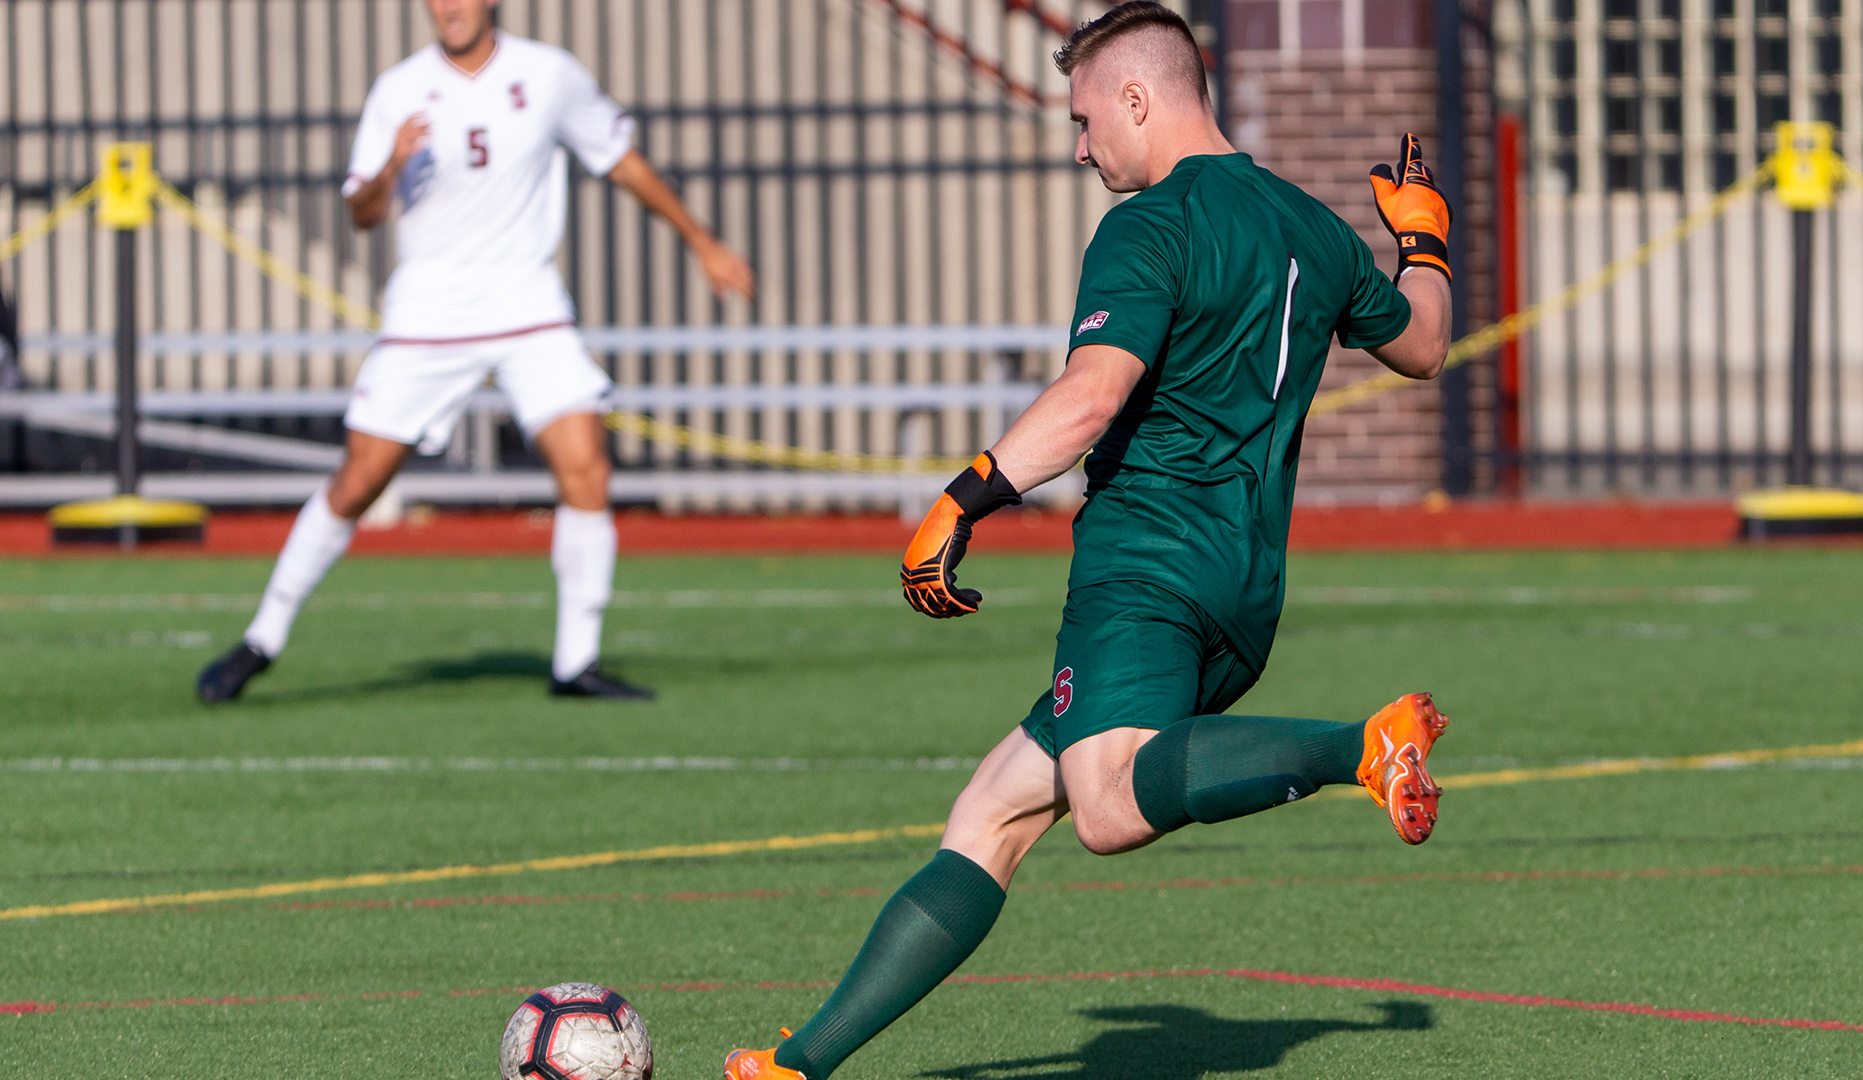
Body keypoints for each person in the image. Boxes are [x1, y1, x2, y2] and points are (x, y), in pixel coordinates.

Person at [722, 4, 1453, 1077]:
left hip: (1146, 567)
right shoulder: (1312, 226)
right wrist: (1424, 237)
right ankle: (798, 1063)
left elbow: (1091, 393)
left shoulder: (1150, 225)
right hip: (1245, 591)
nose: (1079, 146)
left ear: (1138, 99)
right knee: (994, 813)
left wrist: (964, 498)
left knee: (1108, 804)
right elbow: (1427, 344)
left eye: (1082, 117)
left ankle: (1362, 745)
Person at [197, 0, 754, 704]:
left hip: (527, 305)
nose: (449, 6)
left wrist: (701, 240)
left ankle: (575, 663)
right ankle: (262, 638)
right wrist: (390, 166)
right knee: (358, 483)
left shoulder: (548, 74)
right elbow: (361, 214)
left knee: (586, 468)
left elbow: (623, 163)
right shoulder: (399, 88)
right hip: (429, 312)